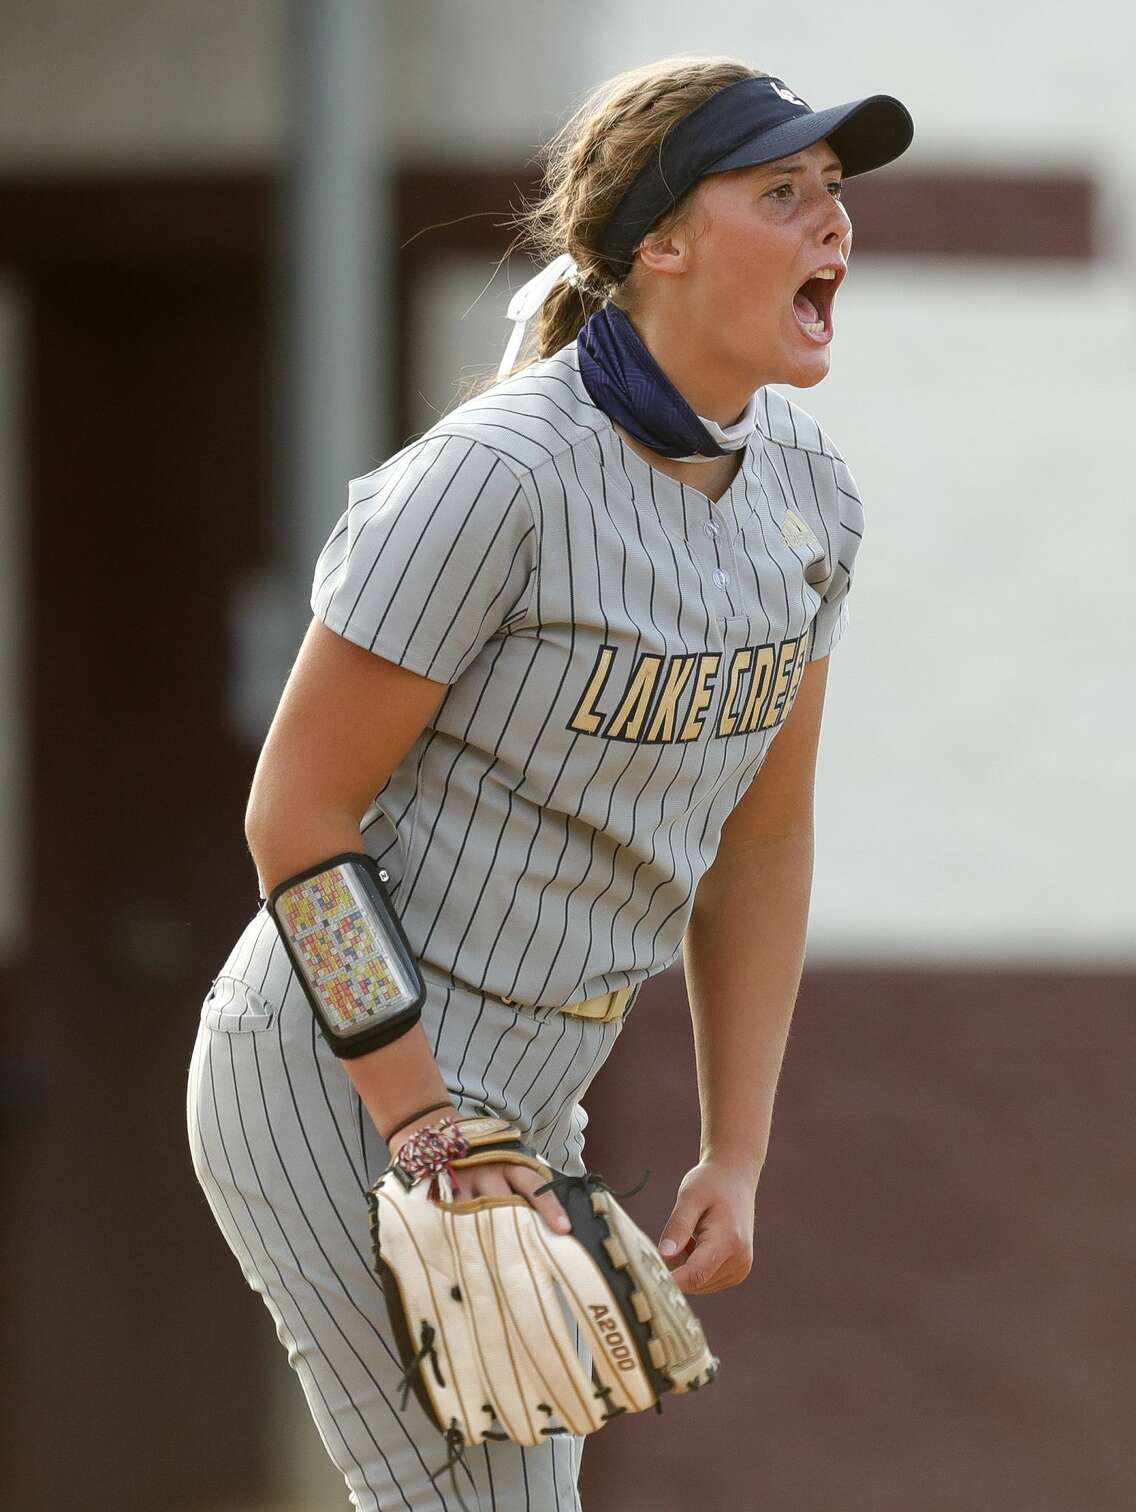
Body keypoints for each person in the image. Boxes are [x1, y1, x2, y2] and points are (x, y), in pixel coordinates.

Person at [186, 51, 913, 1512]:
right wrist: (426, 1126)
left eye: (834, 193)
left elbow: (761, 841)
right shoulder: (497, 476)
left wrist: (738, 1145)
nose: (833, 226)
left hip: (535, 1094)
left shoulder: (810, 489)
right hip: (343, 1080)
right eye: (783, 192)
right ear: (662, 241)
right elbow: (296, 817)